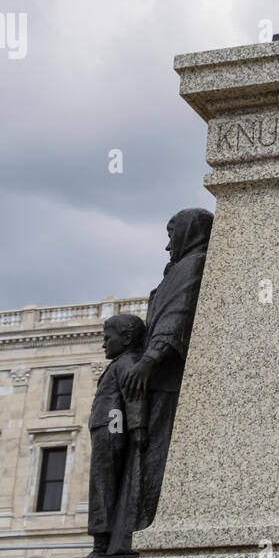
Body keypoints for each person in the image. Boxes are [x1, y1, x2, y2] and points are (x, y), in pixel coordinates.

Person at [123, 207, 213, 529]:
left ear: (189, 233)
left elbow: (180, 313)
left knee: (157, 452)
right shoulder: (179, 268)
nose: (167, 245)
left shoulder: (194, 264)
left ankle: (151, 523)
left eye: (171, 235)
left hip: (168, 378)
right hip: (160, 377)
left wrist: (149, 360)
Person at [85, 313, 146, 557]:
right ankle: (103, 540)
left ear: (127, 338)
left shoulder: (127, 362)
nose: (103, 344)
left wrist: (136, 427)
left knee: (104, 483)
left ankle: (102, 541)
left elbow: (133, 396)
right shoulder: (122, 362)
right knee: (102, 483)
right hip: (108, 428)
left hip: (111, 428)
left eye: (107, 338)